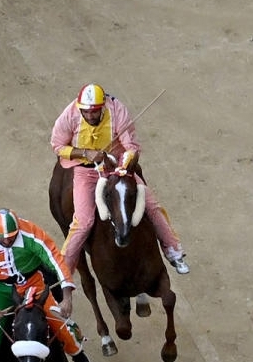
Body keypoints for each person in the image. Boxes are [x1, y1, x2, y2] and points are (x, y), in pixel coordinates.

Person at [50, 83, 188, 275]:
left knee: (152, 205)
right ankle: (64, 271)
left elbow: (131, 147)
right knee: (83, 221)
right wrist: (85, 153)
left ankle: (174, 252)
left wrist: (123, 166)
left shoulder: (117, 110)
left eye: (95, 112)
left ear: (103, 106)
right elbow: (57, 146)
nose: (90, 116)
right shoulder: (69, 115)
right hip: (85, 170)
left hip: (116, 166)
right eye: (86, 112)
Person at [0, 209, 86, 362]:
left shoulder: (31, 232)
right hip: (0, 290)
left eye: (12, 237)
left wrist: (67, 298)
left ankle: (76, 352)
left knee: (60, 324)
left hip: (33, 283)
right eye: (3, 238)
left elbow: (56, 260)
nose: (7, 241)